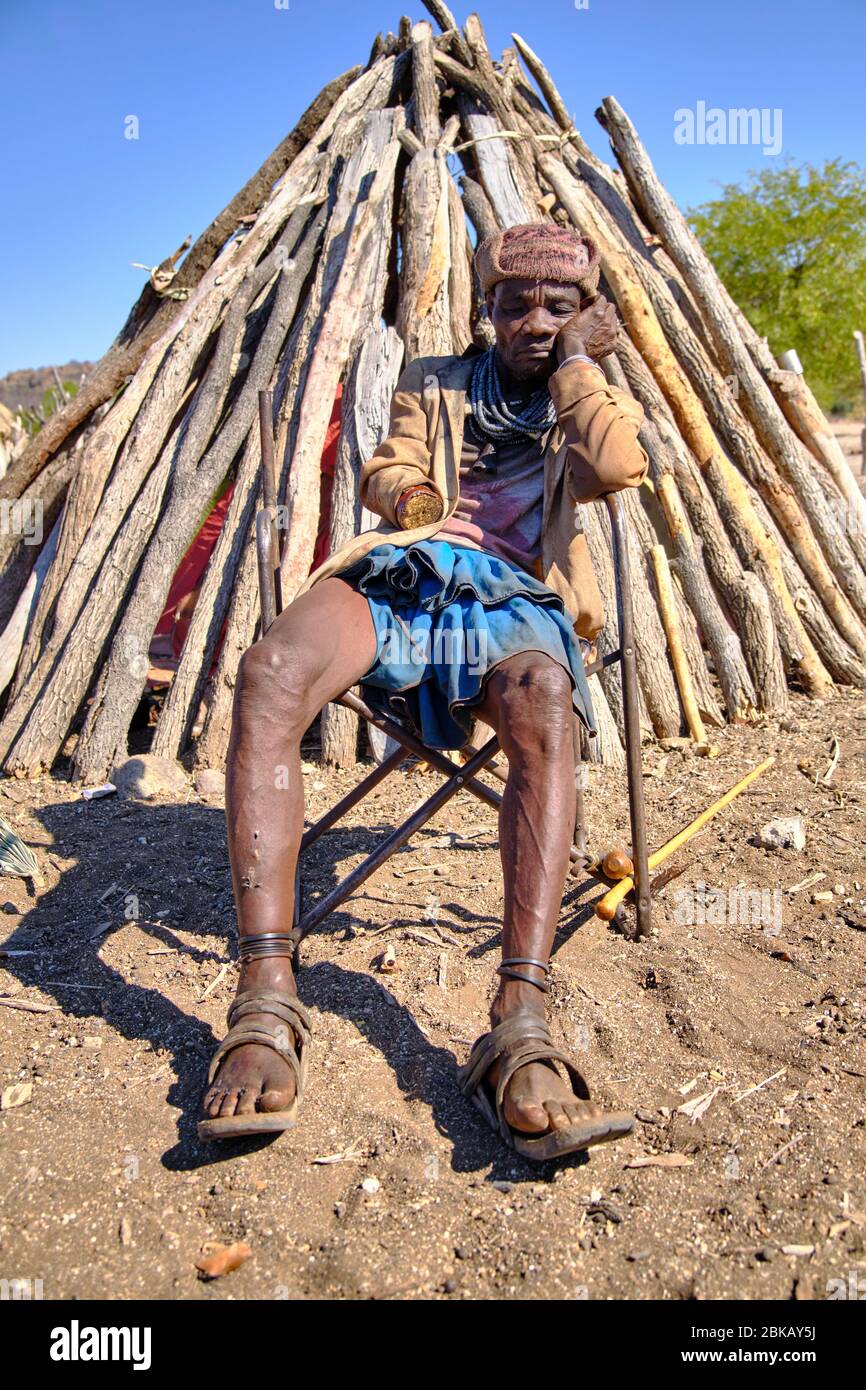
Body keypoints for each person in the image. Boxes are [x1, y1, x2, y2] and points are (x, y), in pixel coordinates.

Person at [199, 223, 648, 1160]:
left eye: (557, 309)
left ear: (583, 319)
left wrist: (576, 366)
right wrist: (409, 501)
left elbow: (614, 468)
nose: (532, 321)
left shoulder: (585, 394)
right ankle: (265, 998)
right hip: (406, 574)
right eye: (513, 304)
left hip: (519, 600)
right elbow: (386, 465)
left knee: (542, 703)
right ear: (483, 310)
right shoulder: (435, 378)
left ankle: (519, 1017)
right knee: (270, 671)